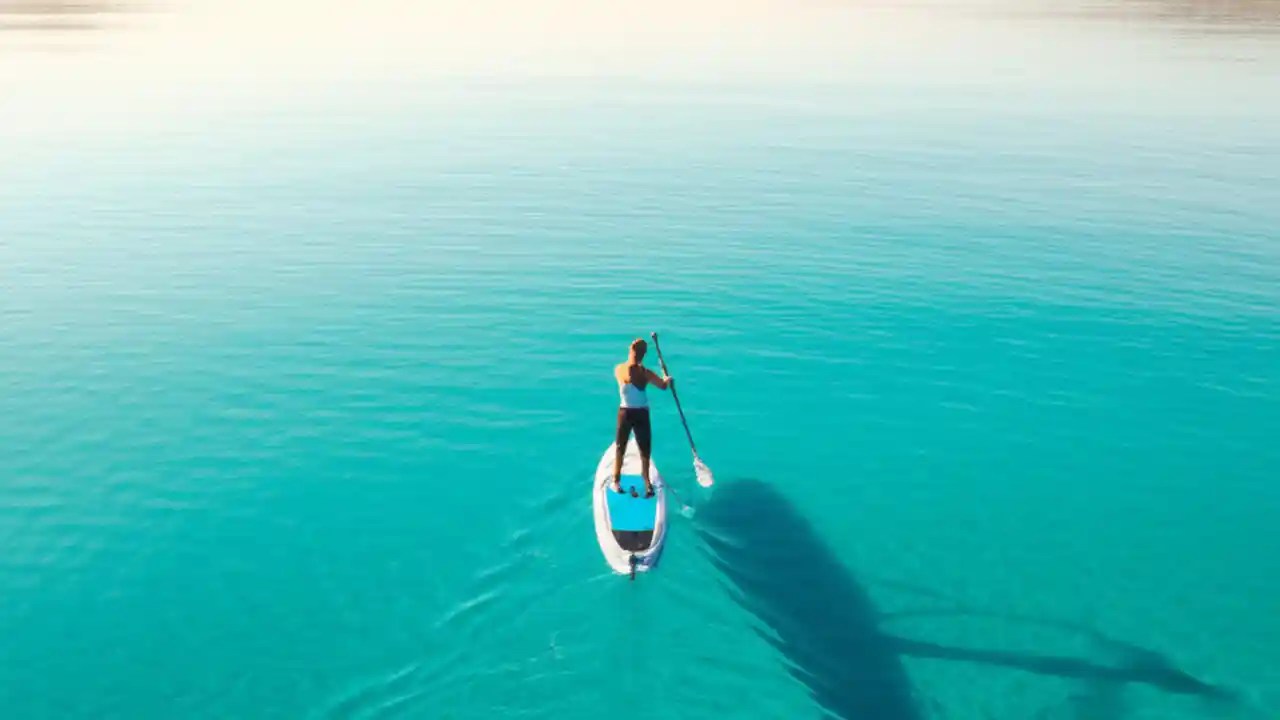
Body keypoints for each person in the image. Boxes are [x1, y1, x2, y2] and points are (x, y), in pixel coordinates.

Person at [614, 338, 671, 497]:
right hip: (641, 414)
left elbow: (629, 375)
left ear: (630, 351)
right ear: (643, 354)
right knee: (645, 451)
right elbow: (663, 386)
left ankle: (616, 481)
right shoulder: (645, 373)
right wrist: (667, 378)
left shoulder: (618, 369)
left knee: (620, 447)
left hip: (624, 413)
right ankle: (647, 482)